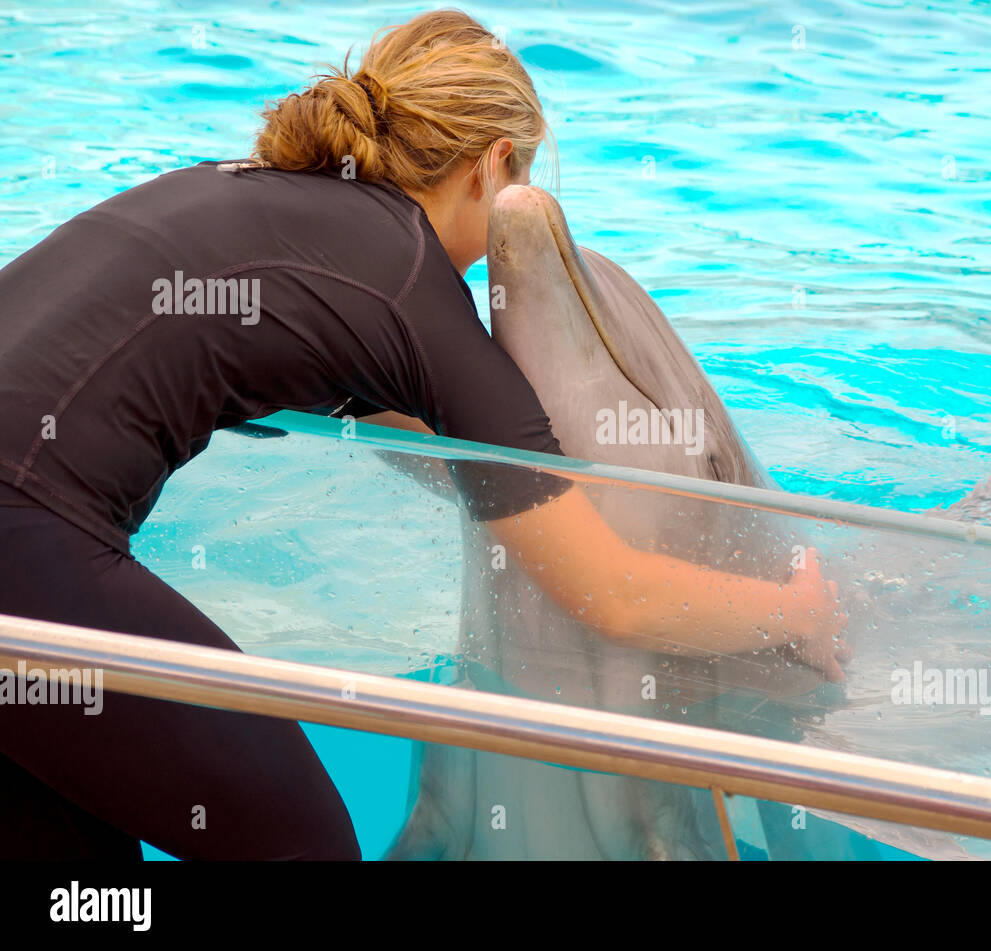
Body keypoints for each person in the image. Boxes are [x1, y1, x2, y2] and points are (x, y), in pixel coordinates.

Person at [0, 9, 848, 860]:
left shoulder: (276, 203)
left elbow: (425, 437)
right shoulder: (411, 284)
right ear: (491, 169)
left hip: (28, 530)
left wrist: (551, 501)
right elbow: (612, 594)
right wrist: (793, 613)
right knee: (307, 846)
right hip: (26, 546)